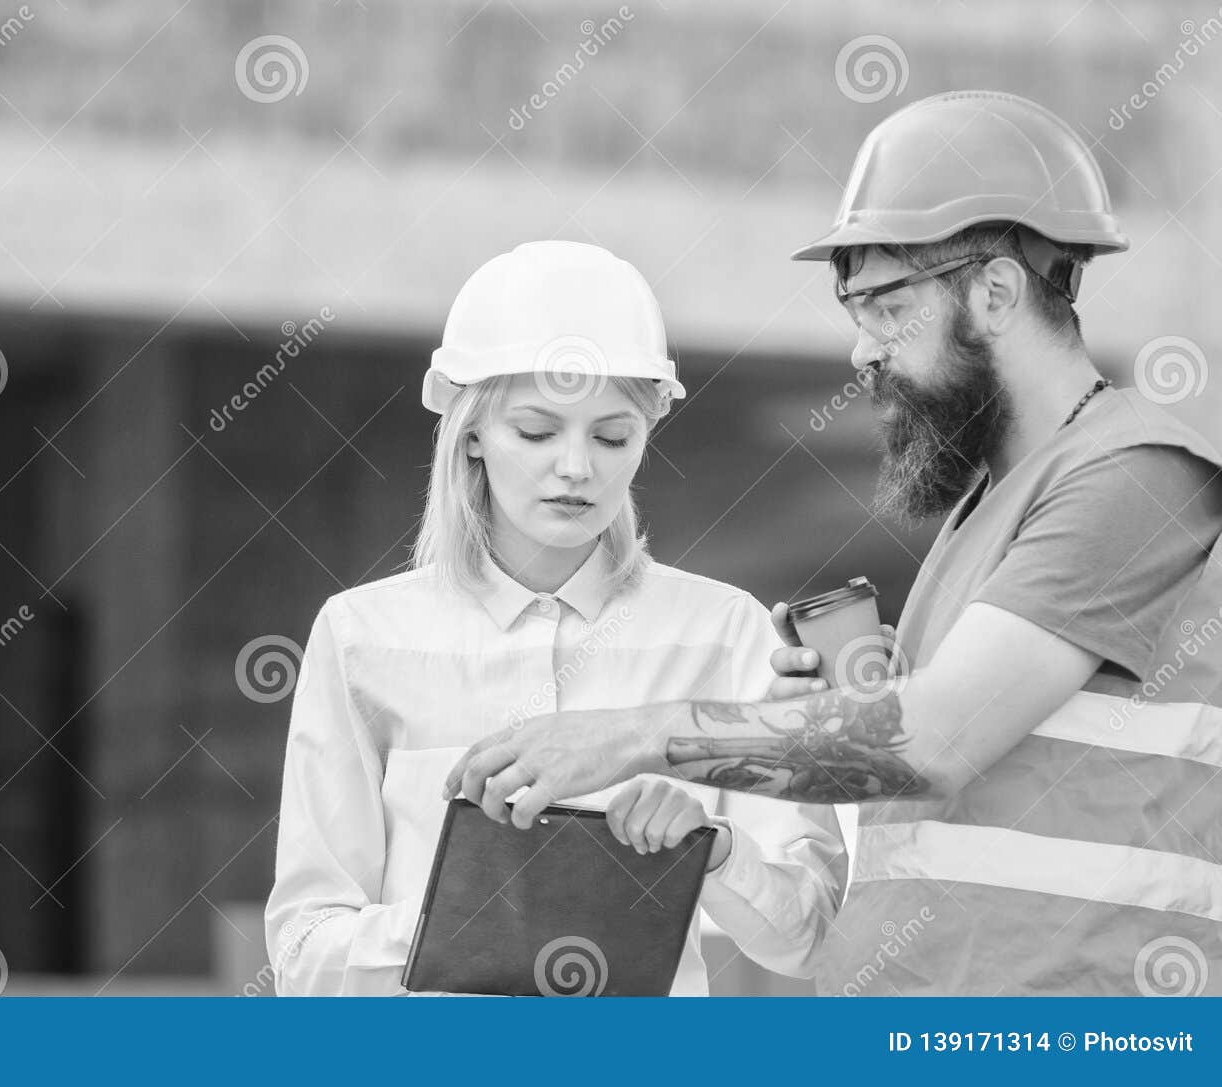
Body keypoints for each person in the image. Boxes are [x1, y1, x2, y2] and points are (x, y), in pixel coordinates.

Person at [445, 91, 1222, 996]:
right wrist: (849, 707)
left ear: (996, 292)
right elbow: (937, 752)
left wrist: (633, 735)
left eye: (887, 306)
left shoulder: (1133, 475)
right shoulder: (992, 504)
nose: (861, 351)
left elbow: (936, 738)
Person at [265, 240, 846, 996]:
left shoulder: (726, 633)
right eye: (537, 431)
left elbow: (809, 938)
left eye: (612, 436)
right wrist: (468, 922)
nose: (577, 467)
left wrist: (712, 850)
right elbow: (303, 950)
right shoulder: (363, 638)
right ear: (471, 433)